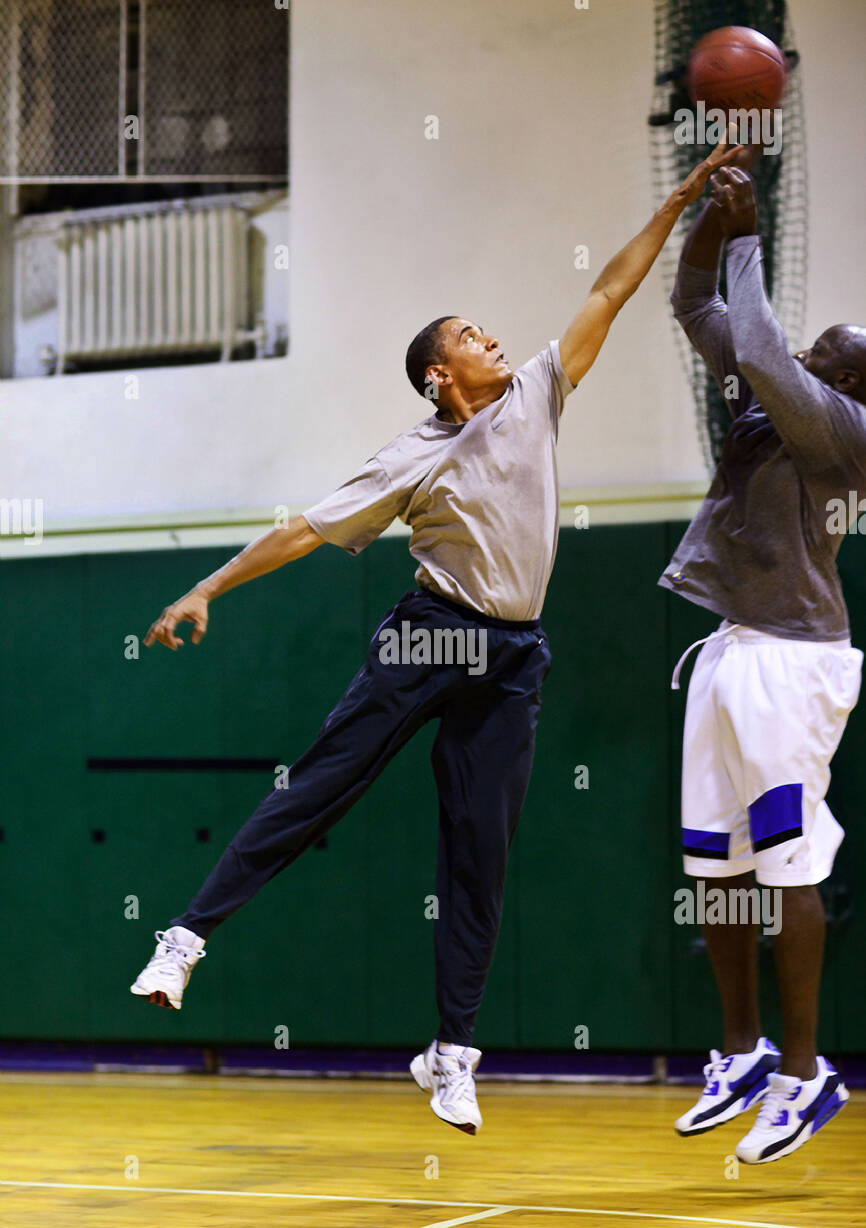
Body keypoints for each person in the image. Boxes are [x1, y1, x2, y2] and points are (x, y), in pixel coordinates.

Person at [130, 141, 737, 1135]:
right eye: (472, 336)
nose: (493, 340)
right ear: (437, 372)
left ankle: (450, 1053)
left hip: (512, 656)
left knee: (478, 852)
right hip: (432, 633)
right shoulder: (410, 455)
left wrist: (674, 200)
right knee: (322, 781)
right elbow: (301, 529)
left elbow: (608, 290)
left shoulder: (537, 393)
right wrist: (208, 586)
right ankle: (186, 939)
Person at [663, 164, 866, 1163]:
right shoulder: (770, 393)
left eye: (824, 350)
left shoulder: (842, 430)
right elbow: (694, 305)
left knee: (784, 859)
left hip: (794, 661)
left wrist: (747, 236)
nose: (804, 350)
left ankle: (804, 1068)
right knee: (715, 861)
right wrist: (708, 229)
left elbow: (752, 346)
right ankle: (741, 1050)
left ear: (848, 380)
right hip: (730, 646)